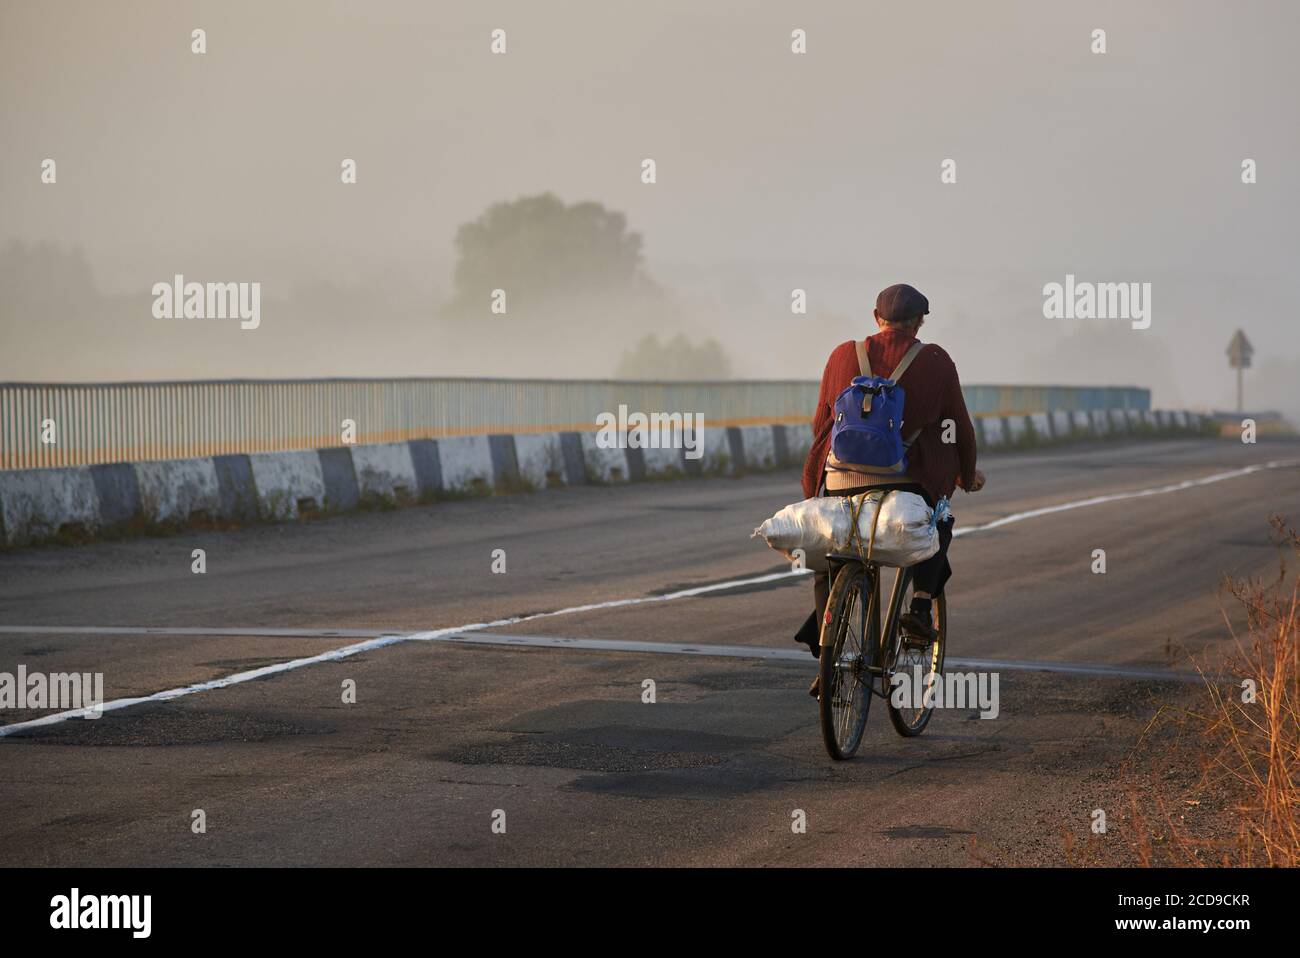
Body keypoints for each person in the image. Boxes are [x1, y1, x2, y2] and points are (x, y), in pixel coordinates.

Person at [794, 283, 985, 696]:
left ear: (875, 318)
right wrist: (966, 476)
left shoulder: (843, 354)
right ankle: (919, 605)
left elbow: (821, 425)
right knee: (938, 524)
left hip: (841, 480)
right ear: (919, 322)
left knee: (833, 556)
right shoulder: (935, 360)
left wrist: (815, 489)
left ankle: (830, 652)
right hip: (907, 484)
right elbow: (960, 429)